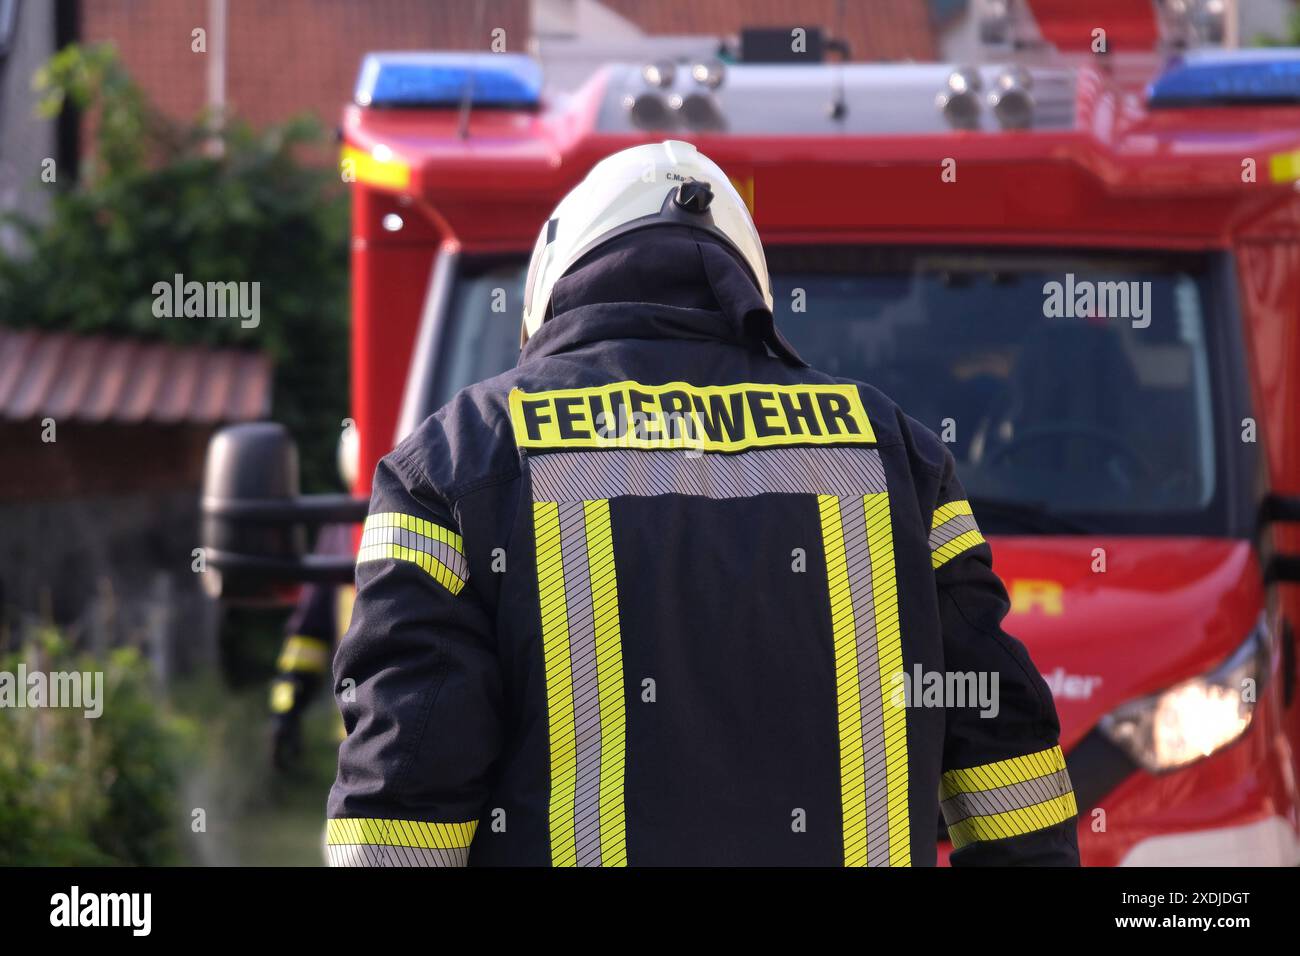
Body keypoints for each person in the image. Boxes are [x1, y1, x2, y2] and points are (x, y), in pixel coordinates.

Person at [326, 140, 1079, 866]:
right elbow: (1006, 763)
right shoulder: (898, 456)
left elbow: (401, 806)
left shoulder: (456, 461)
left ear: (551, 294)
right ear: (746, 292)